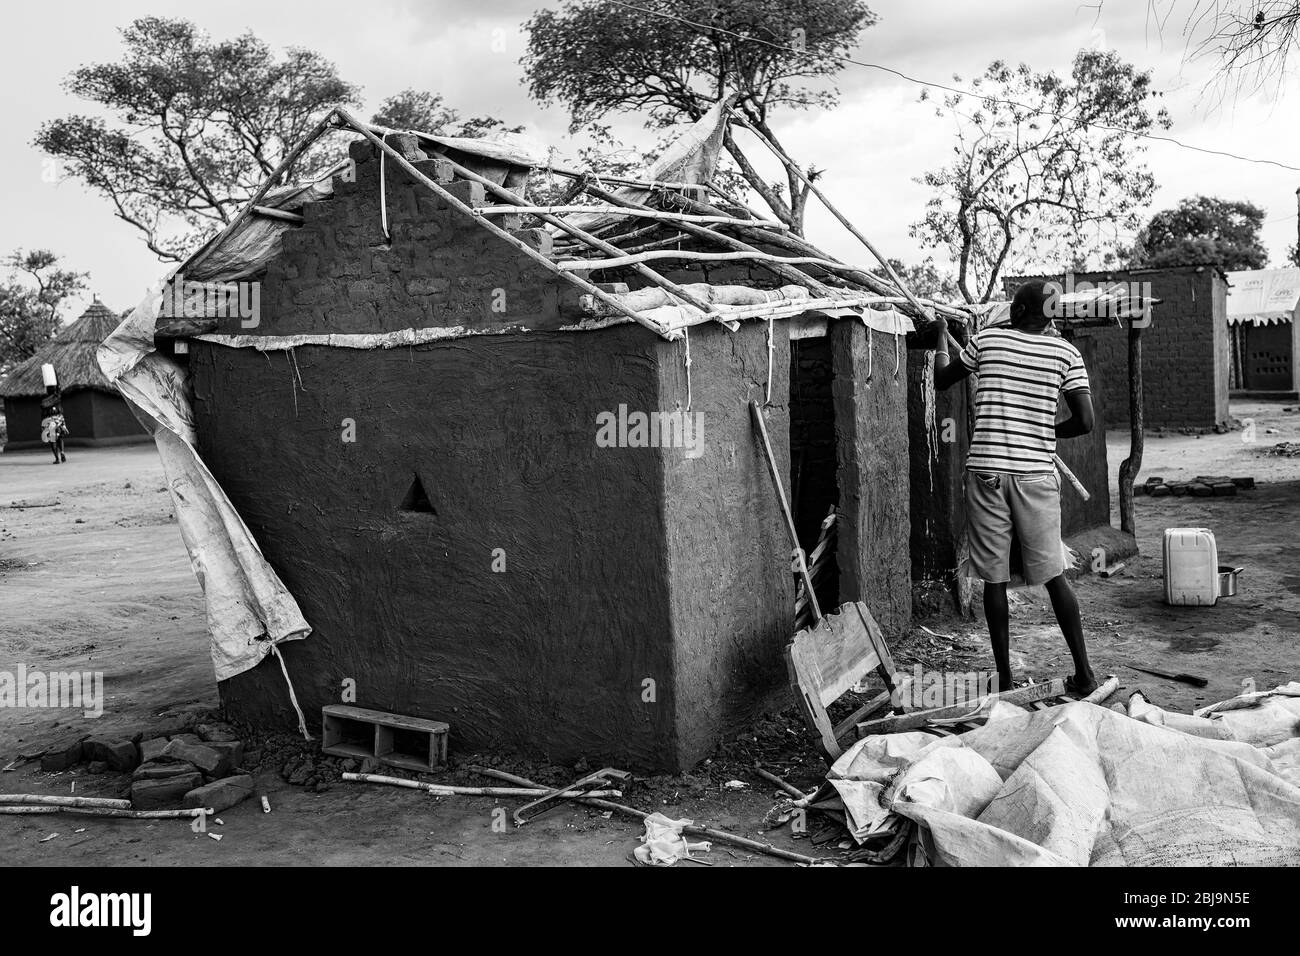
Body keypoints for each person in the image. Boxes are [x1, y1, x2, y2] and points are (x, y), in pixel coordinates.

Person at [933, 280, 1098, 697]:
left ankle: (1004, 680)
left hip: (987, 473)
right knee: (1055, 576)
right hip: (1036, 476)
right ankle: (1084, 674)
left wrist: (939, 338)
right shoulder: (1066, 354)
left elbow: (941, 379)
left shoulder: (987, 342)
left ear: (1019, 312)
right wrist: (1046, 431)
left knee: (994, 581)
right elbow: (1085, 421)